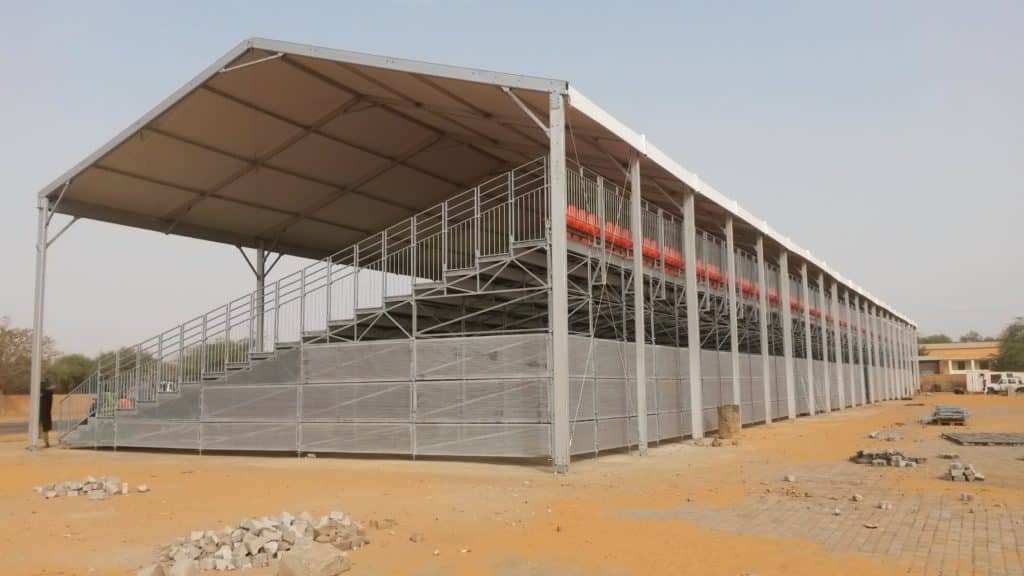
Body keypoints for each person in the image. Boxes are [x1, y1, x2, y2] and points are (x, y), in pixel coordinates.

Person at [39, 381, 54, 448]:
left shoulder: (45, 393)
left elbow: (45, 390)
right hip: (46, 413)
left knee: (44, 429)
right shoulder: (48, 393)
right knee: (44, 429)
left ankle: (46, 443)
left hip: (44, 413)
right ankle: (46, 442)